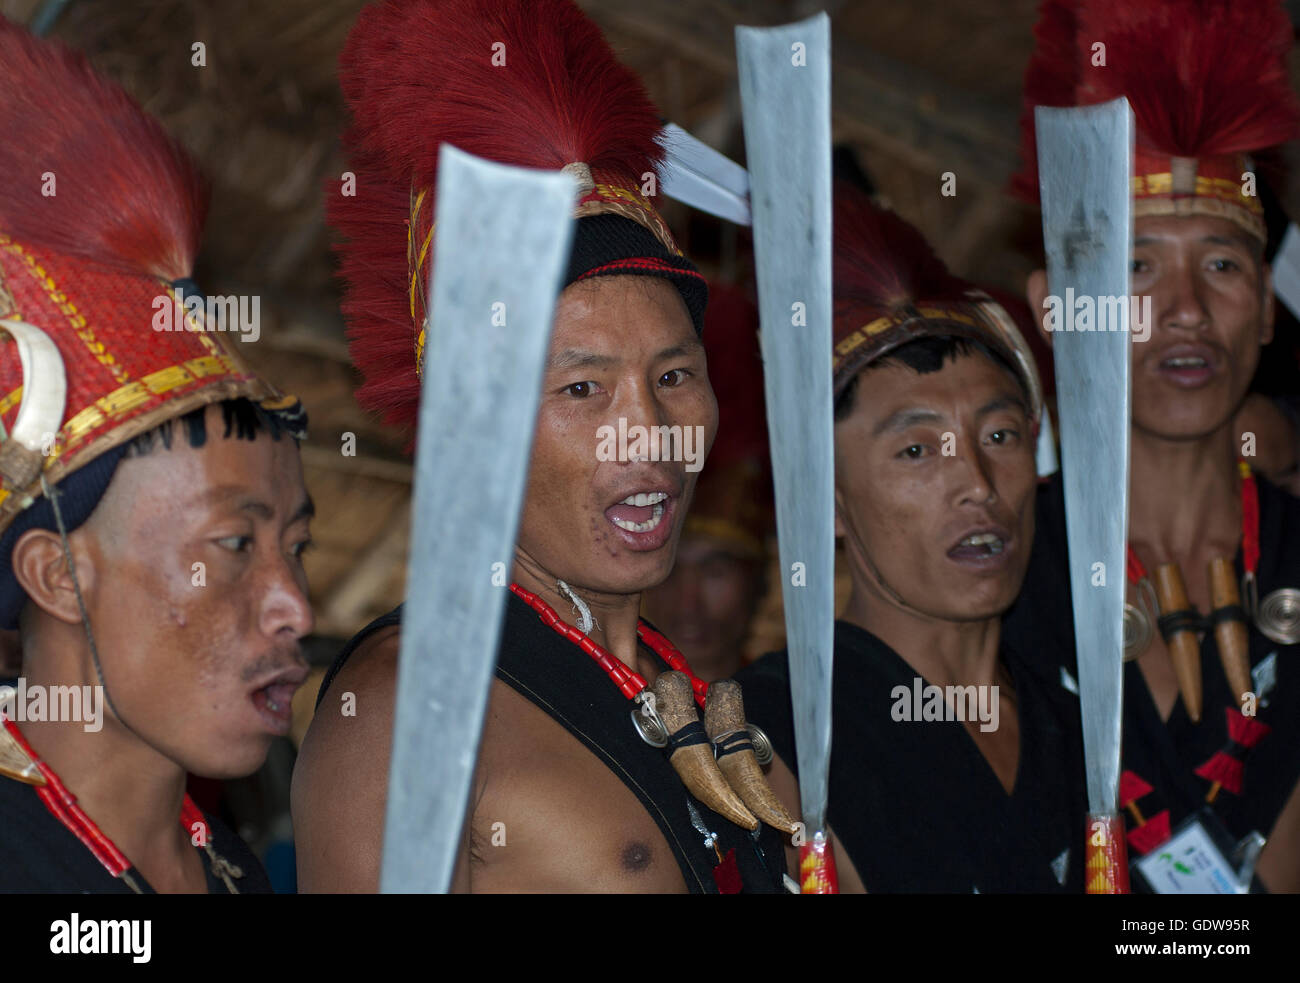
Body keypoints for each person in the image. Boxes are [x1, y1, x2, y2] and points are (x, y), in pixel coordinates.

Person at [292, 0, 790, 894]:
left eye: (674, 376)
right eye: (582, 388)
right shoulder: (409, 712)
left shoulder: (704, 714)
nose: (649, 428)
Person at [0, 19, 313, 893]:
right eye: (234, 546)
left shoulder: (228, 868)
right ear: (59, 572)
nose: (295, 604)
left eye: (296, 545)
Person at [1011, 0, 1300, 892]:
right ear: (1057, 310)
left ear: (1263, 308)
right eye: (1135, 266)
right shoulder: (992, 572)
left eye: (1221, 263)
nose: (1184, 308)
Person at [738, 186, 1087, 892]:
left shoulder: (1087, 720)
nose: (980, 485)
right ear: (827, 501)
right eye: (917, 451)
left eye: (1000, 436)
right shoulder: (776, 736)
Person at [642, 283, 773, 681]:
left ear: (760, 583)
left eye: (716, 571)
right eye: (669, 572)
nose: (688, 604)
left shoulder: (793, 719)